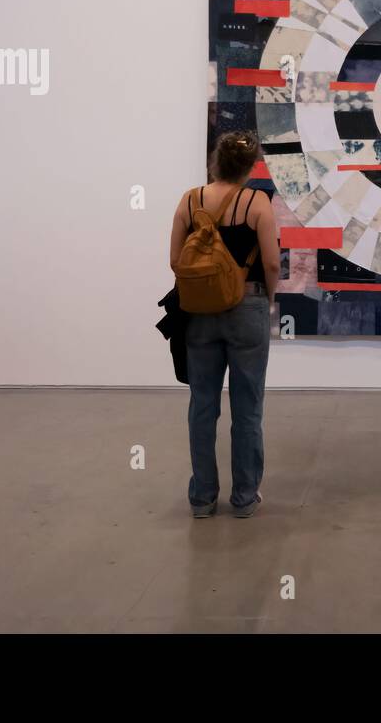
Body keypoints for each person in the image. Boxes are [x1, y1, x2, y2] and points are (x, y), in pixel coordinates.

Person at [168, 131, 281, 519]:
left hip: (199, 312)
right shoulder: (258, 202)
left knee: (202, 404)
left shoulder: (190, 199)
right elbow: (271, 263)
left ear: (215, 161)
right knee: (247, 408)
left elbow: (175, 261)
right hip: (247, 307)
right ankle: (245, 497)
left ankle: (202, 498)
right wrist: (266, 300)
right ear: (250, 166)